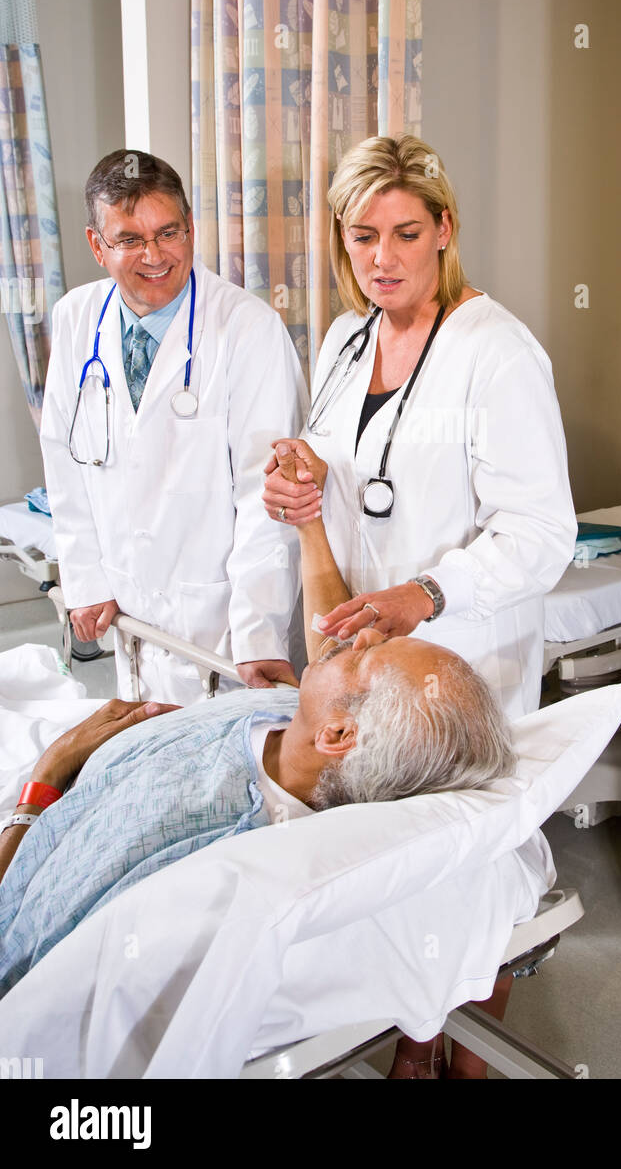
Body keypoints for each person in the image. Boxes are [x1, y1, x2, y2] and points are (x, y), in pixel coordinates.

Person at [0, 445, 516, 1083]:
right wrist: (309, 523)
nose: (363, 632)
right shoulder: (289, 716)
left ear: (337, 735)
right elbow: (333, 629)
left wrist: (46, 778)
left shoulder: (206, 840)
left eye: (367, 655)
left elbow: (20, 932)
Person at [263, 133, 576, 721]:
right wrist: (298, 483)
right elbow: (342, 477)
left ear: (444, 230)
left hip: (460, 660)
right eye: (363, 236)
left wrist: (427, 594)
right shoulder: (346, 341)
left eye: (406, 234)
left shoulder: (495, 351)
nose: (383, 257)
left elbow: (541, 533)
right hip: (357, 662)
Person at [40, 150, 309, 703]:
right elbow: (64, 461)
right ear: (97, 246)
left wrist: (259, 630)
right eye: (130, 239)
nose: (156, 255)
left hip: (225, 620)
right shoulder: (74, 320)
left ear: (190, 229)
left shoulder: (247, 329)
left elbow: (270, 494)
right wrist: (87, 581)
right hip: (130, 608)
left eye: (169, 233)